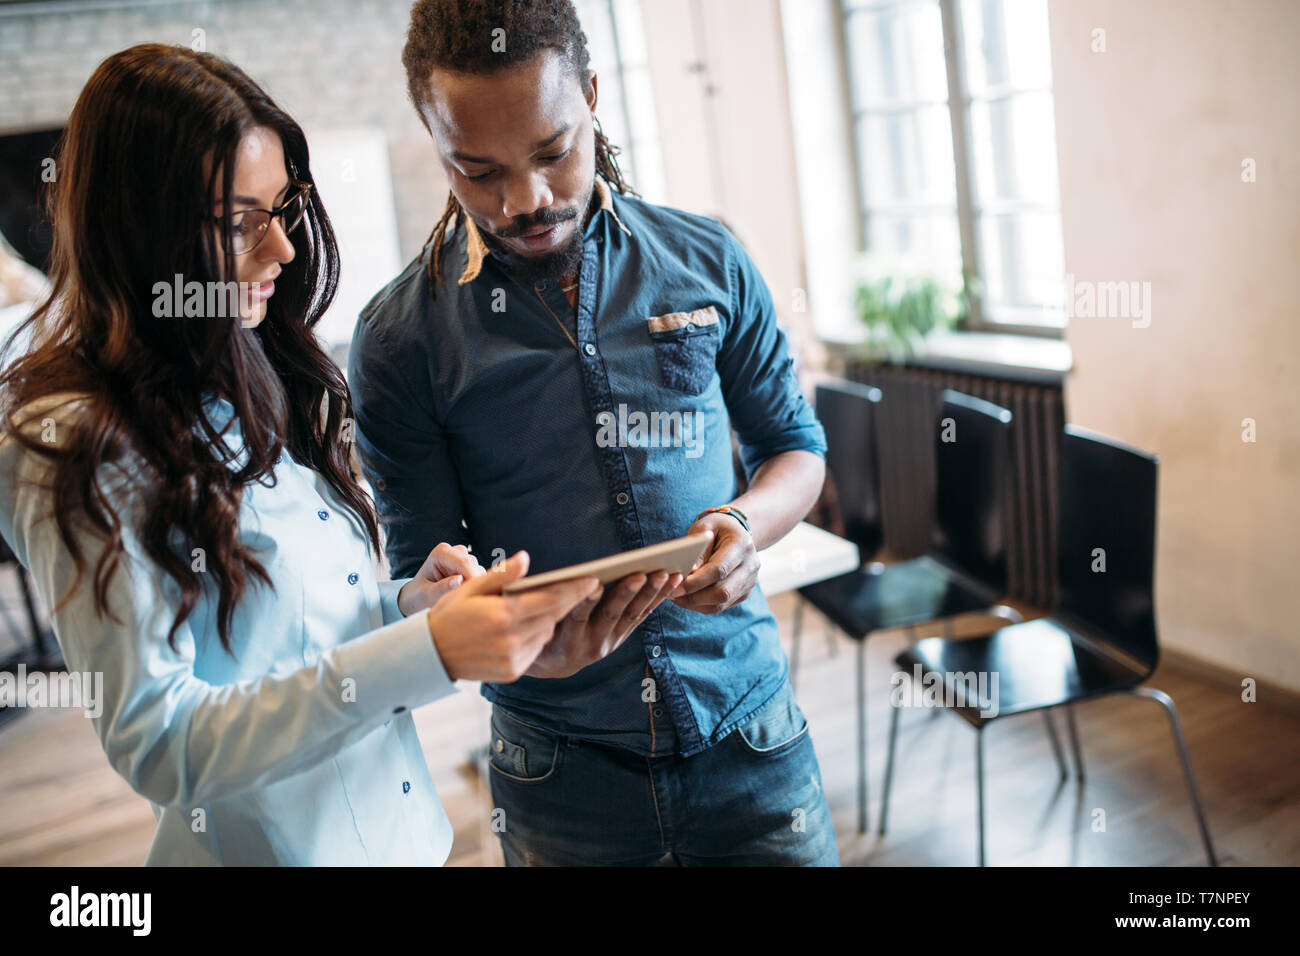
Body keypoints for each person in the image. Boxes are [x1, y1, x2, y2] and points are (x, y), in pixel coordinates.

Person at [0, 43, 626, 866]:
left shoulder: (242, 369)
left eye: (284, 207)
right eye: (238, 224)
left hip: (408, 842)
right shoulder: (71, 441)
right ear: (140, 232)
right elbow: (161, 743)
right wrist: (430, 652)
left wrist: (407, 608)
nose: (284, 251)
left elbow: (284, 636)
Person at [349, 0, 839, 865]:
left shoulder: (711, 258)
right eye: (478, 170)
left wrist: (739, 527)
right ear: (435, 143)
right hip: (557, 775)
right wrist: (477, 622)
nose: (527, 200)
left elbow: (796, 449)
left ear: (594, 96)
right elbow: (418, 572)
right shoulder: (399, 340)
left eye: (552, 151)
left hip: (753, 737)